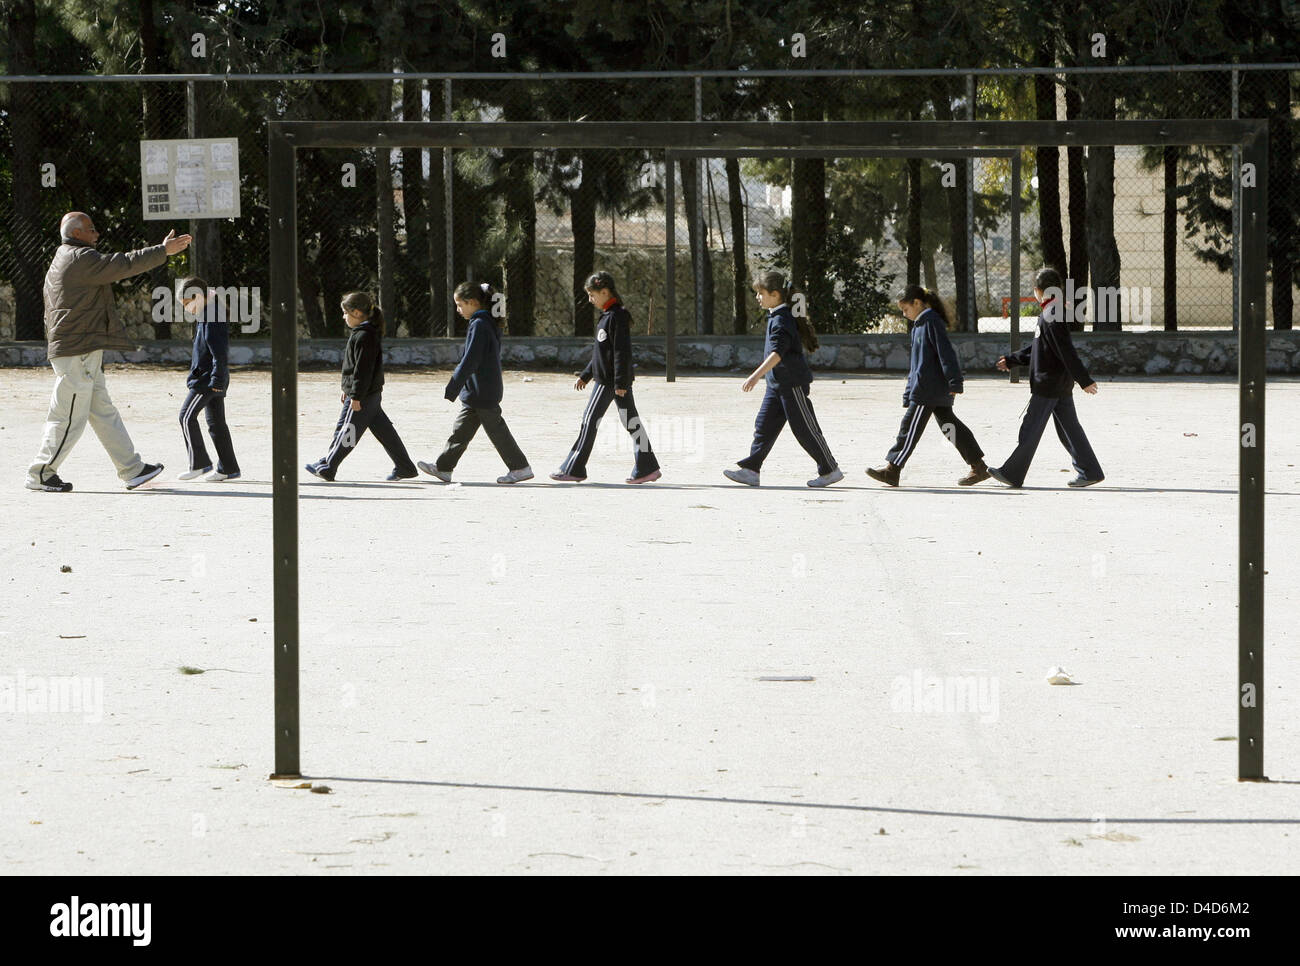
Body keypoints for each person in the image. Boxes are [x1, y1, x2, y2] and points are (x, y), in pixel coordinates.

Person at [26, 212, 190, 492]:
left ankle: (132, 469)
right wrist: (162, 251)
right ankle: (41, 473)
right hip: (78, 349)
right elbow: (122, 264)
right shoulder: (81, 258)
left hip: (78, 348)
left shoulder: (64, 256)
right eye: (91, 229)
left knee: (102, 411)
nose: (97, 234)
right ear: (76, 233)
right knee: (68, 417)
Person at [988, 267, 1105, 488]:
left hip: (1049, 384)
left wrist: (1084, 380)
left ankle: (1012, 473)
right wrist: (1013, 359)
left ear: (1038, 290)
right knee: (1070, 430)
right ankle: (1090, 471)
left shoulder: (1052, 314)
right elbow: (1039, 348)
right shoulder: (1052, 312)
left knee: (1030, 428)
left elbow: (1066, 351)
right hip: (1057, 384)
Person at [723, 271, 842, 488]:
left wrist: (755, 376)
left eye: (761, 293)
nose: (758, 297)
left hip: (791, 383)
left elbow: (777, 353)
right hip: (776, 384)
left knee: (804, 428)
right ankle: (751, 470)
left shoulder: (782, 319)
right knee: (764, 426)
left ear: (776, 294)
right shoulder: (776, 315)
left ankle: (830, 469)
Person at [866, 285, 990, 487]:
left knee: (909, 427)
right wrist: (908, 392)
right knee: (950, 426)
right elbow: (915, 365)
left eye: (906, 309)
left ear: (917, 303)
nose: (904, 315)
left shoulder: (931, 322)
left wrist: (955, 381)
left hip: (929, 389)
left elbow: (946, 353)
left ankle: (893, 470)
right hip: (926, 388)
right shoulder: (919, 326)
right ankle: (979, 466)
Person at [551, 271, 662, 484]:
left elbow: (621, 352)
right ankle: (648, 467)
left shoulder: (616, 316)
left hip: (610, 381)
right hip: (611, 379)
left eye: (593, 295)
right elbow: (602, 354)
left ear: (604, 292)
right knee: (631, 422)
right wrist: (585, 376)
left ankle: (574, 468)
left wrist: (620, 382)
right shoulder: (608, 316)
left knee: (589, 421)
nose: (590, 300)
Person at [418, 281, 532, 484]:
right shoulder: (487, 322)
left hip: (482, 390)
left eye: (460, 305)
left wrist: (453, 385)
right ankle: (444, 468)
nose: (458, 310)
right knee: (461, 431)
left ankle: (520, 467)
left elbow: (471, 359)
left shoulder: (480, 324)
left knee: (497, 431)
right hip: (478, 391)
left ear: (472, 303)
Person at [305, 291, 417, 482]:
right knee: (384, 432)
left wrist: (355, 395)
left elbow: (363, 370)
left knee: (348, 431)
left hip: (363, 396)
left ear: (356, 313)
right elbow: (355, 368)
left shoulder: (364, 336)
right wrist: (346, 389)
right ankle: (405, 467)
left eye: (345, 313)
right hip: (368, 394)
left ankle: (329, 466)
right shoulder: (364, 333)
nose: (343, 317)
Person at [175, 277, 240, 481]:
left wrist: (216, 382)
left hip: (207, 381)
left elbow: (219, 353)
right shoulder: (209, 313)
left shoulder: (212, 315)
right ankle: (228, 468)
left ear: (198, 297)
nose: (187, 309)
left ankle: (199, 464)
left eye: (187, 304)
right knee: (216, 424)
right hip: (212, 379)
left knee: (185, 417)